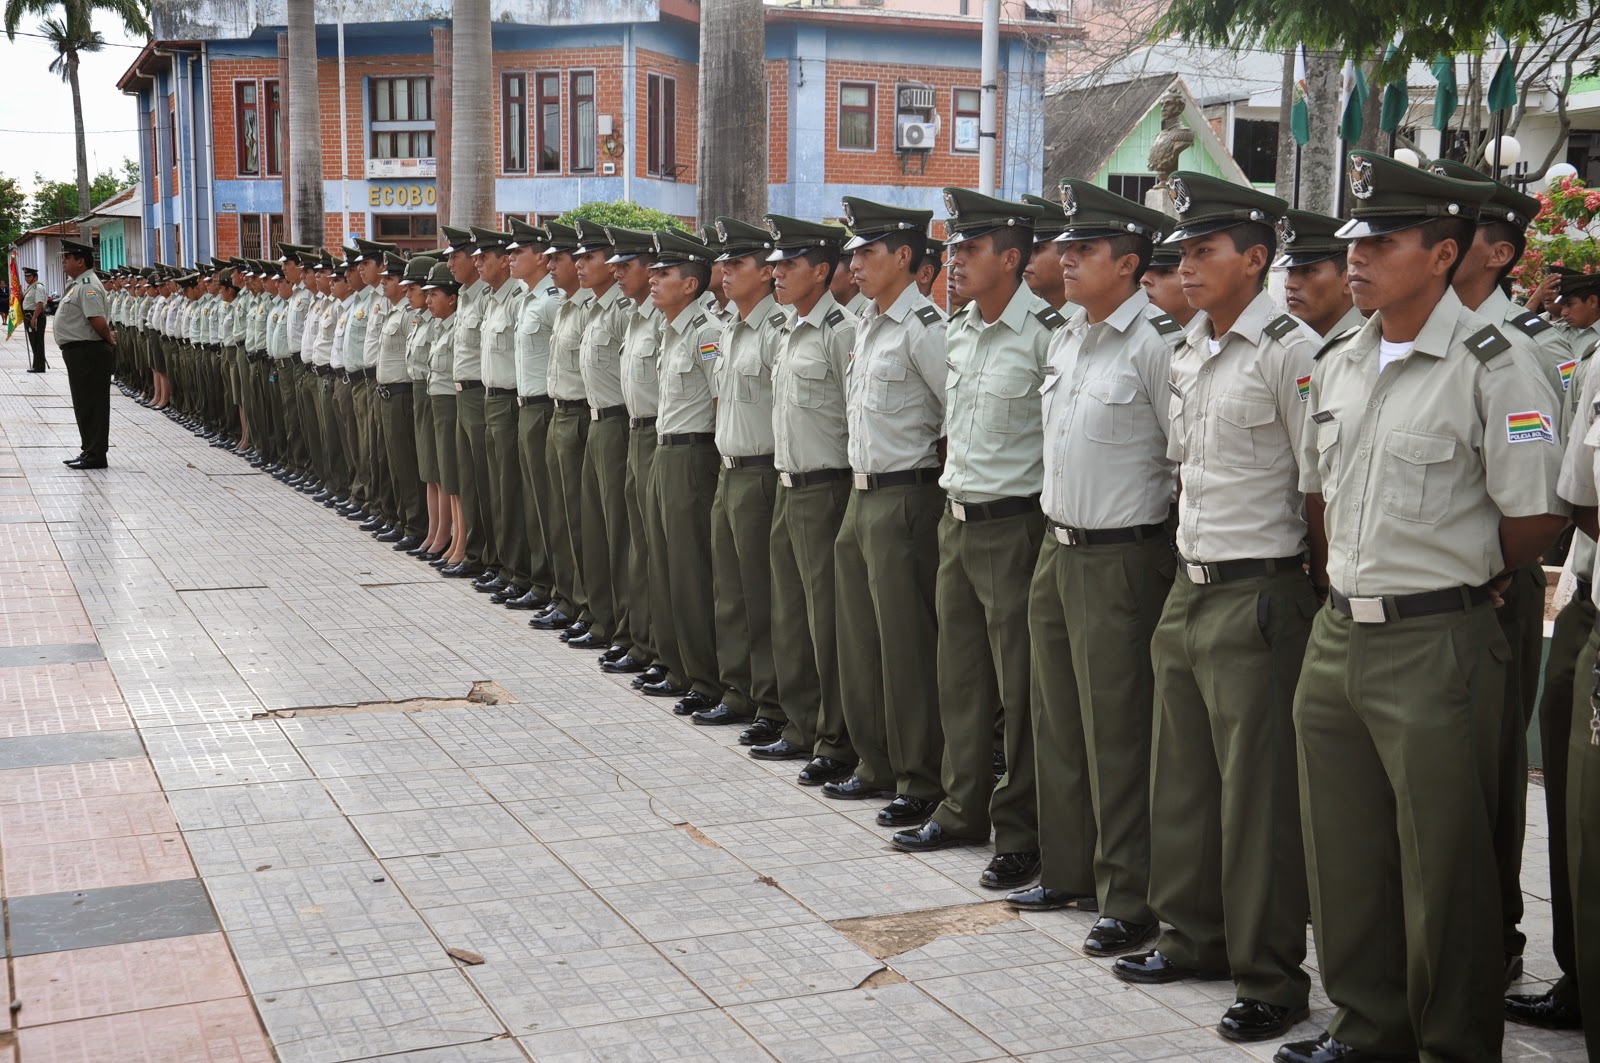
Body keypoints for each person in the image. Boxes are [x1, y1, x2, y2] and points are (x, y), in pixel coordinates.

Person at [1279, 151, 1567, 1063]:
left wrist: (1470, 580)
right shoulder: (1342, 357)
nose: (1356, 257)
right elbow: (1321, 492)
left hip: (1439, 640)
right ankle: (1369, 1027)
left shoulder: (1497, 363)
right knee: (1346, 854)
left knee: (1446, 867)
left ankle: (1454, 1042)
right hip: (1338, 636)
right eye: (1355, 239)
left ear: (1445, 254)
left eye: (1384, 241)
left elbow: (1534, 519)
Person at [1123, 173, 1321, 1042]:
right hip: (1189, 583)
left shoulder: (1291, 351)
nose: (1187, 266)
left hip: (1260, 590)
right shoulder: (1188, 347)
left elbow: (1318, 487)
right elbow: (1181, 464)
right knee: (1185, 778)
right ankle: (1192, 933)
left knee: (1259, 799)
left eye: (1204, 251)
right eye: (1183, 252)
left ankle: (1271, 973)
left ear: (1254, 257)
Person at [1008, 179, 1179, 928]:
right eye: (1065, 248)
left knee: (1117, 731)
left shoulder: (1156, 345)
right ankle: (1067, 866)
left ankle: (1128, 893)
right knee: (1058, 722)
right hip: (1059, 546)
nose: (1066, 260)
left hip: (1121, 556)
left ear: (1130, 263)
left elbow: (1182, 462)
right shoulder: (1067, 334)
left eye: (1084, 250)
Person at [886, 188, 1057, 897]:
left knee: (1020, 691)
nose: (953, 261)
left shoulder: (1048, 332)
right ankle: (962, 807)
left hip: (1016, 525)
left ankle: (1020, 832)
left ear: (1011, 259)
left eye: (970, 249)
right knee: (960, 677)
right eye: (952, 248)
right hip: (958, 519)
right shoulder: (957, 332)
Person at [822, 197, 948, 829]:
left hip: (905, 493)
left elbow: (956, 417)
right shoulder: (866, 324)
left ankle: (920, 776)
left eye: (868, 252)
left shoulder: (924, 327)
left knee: (905, 645)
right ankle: (873, 761)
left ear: (905, 256)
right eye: (854, 253)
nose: (856, 264)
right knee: (861, 639)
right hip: (861, 490)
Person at [758, 214, 858, 781]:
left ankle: (835, 737)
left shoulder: (839, 330)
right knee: (791, 614)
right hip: (787, 483)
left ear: (821, 272)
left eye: (789, 265)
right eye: (775, 265)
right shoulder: (786, 329)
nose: (777, 274)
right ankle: (798, 726)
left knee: (827, 621)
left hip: (826, 488)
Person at [700, 218, 787, 730]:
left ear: (765, 273)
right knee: (730, 592)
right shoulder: (729, 327)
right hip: (727, 468)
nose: (726, 273)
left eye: (738, 264)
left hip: (761, 473)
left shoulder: (776, 331)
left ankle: (770, 701)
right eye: (724, 263)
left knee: (761, 595)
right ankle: (736, 691)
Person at [641, 229, 726, 713]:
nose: (653, 280)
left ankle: (703, 677)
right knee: (665, 564)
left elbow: (719, 401)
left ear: (690, 285)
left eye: (664, 273)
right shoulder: (670, 331)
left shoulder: (706, 332)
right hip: (664, 449)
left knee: (692, 571)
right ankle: (674, 665)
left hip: (694, 455)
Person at [54, 240, 115, 469]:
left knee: (93, 404)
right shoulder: (77, 284)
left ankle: (96, 454)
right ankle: (89, 449)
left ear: (81, 261)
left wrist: (109, 338)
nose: (64, 261)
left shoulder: (88, 285)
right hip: (79, 352)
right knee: (83, 404)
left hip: (88, 352)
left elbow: (97, 320)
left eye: (67, 257)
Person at [1276, 210, 1363, 342]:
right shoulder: (1287, 346)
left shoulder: (1371, 344)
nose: (1289, 284)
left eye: (1308, 270)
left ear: (1347, 279)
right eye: (1290, 270)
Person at [22, 266, 47, 372]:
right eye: (25, 276)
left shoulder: (38, 287)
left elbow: (39, 304)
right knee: (33, 341)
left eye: (29, 276)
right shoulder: (30, 287)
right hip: (29, 316)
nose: (27, 278)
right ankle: (36, 364)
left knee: (38, 342)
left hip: (35, 316)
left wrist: (33, 319)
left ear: (35, 277)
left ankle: (40, 366)